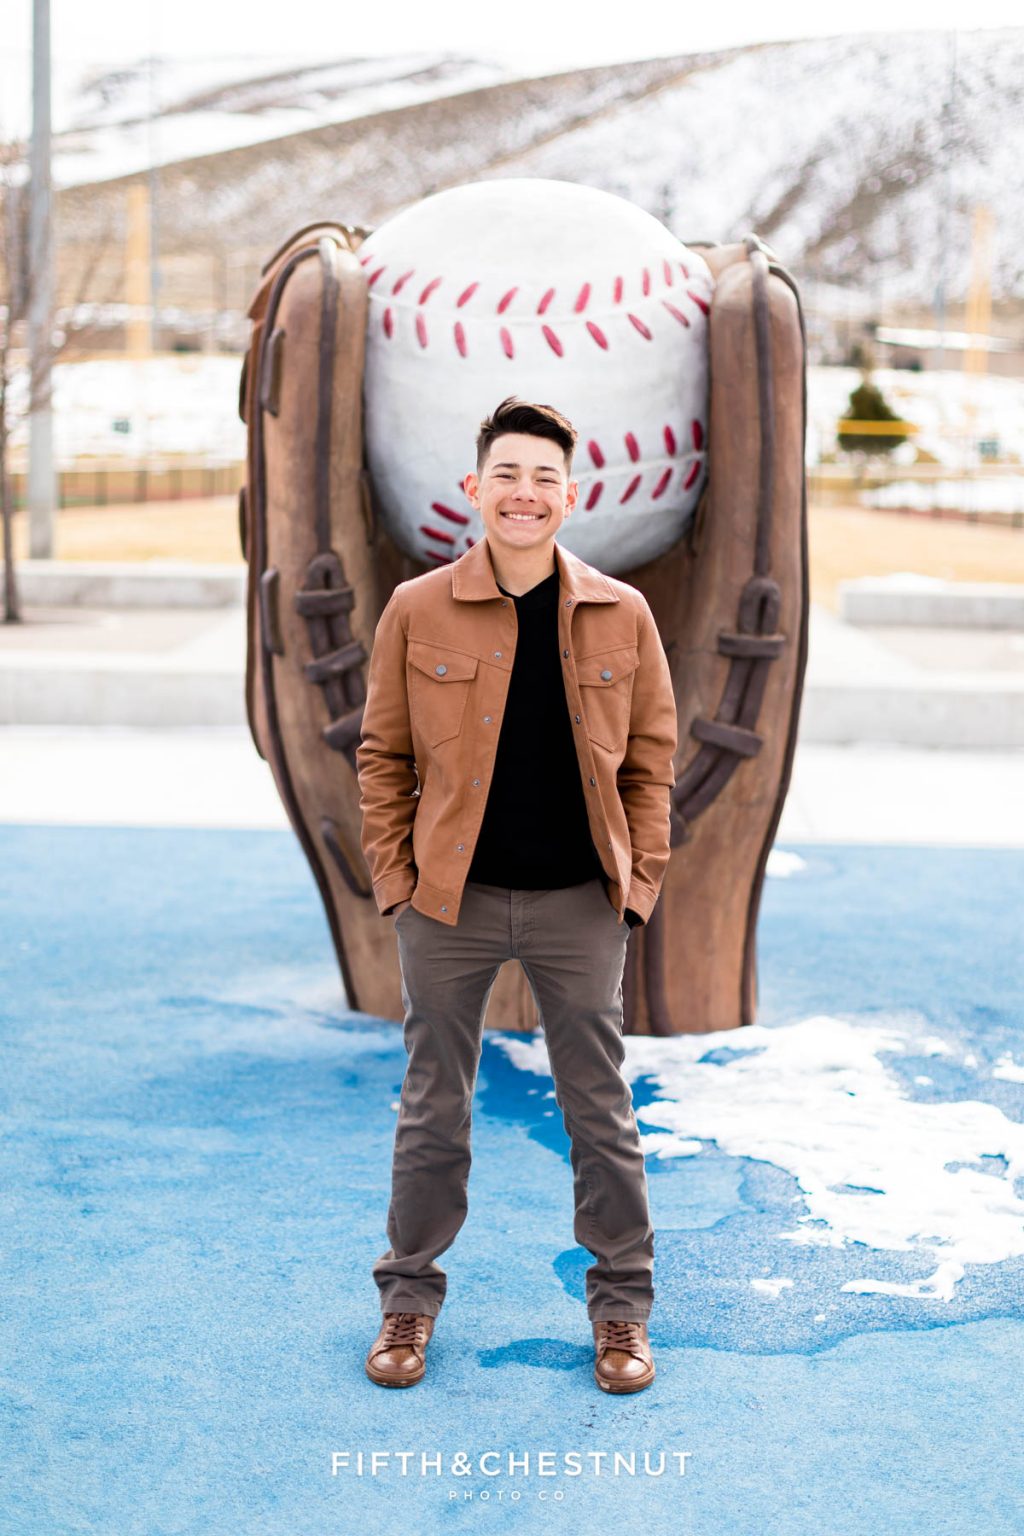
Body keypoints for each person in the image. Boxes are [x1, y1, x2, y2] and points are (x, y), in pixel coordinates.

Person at [356, 396, 678, 1393]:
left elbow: (653, 763)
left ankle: (621, 1313)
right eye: (507, 475)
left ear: (570, 495)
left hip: (580, 901)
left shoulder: (621, 613)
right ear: (474, 489)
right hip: (446, 905)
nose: (525, 494)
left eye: (544, 478)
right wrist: (399, 882)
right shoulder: (417, 608)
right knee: (431, 1108)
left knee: (599, 1109)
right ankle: (407, 1302)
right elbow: (383, 756)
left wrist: (637, 887)